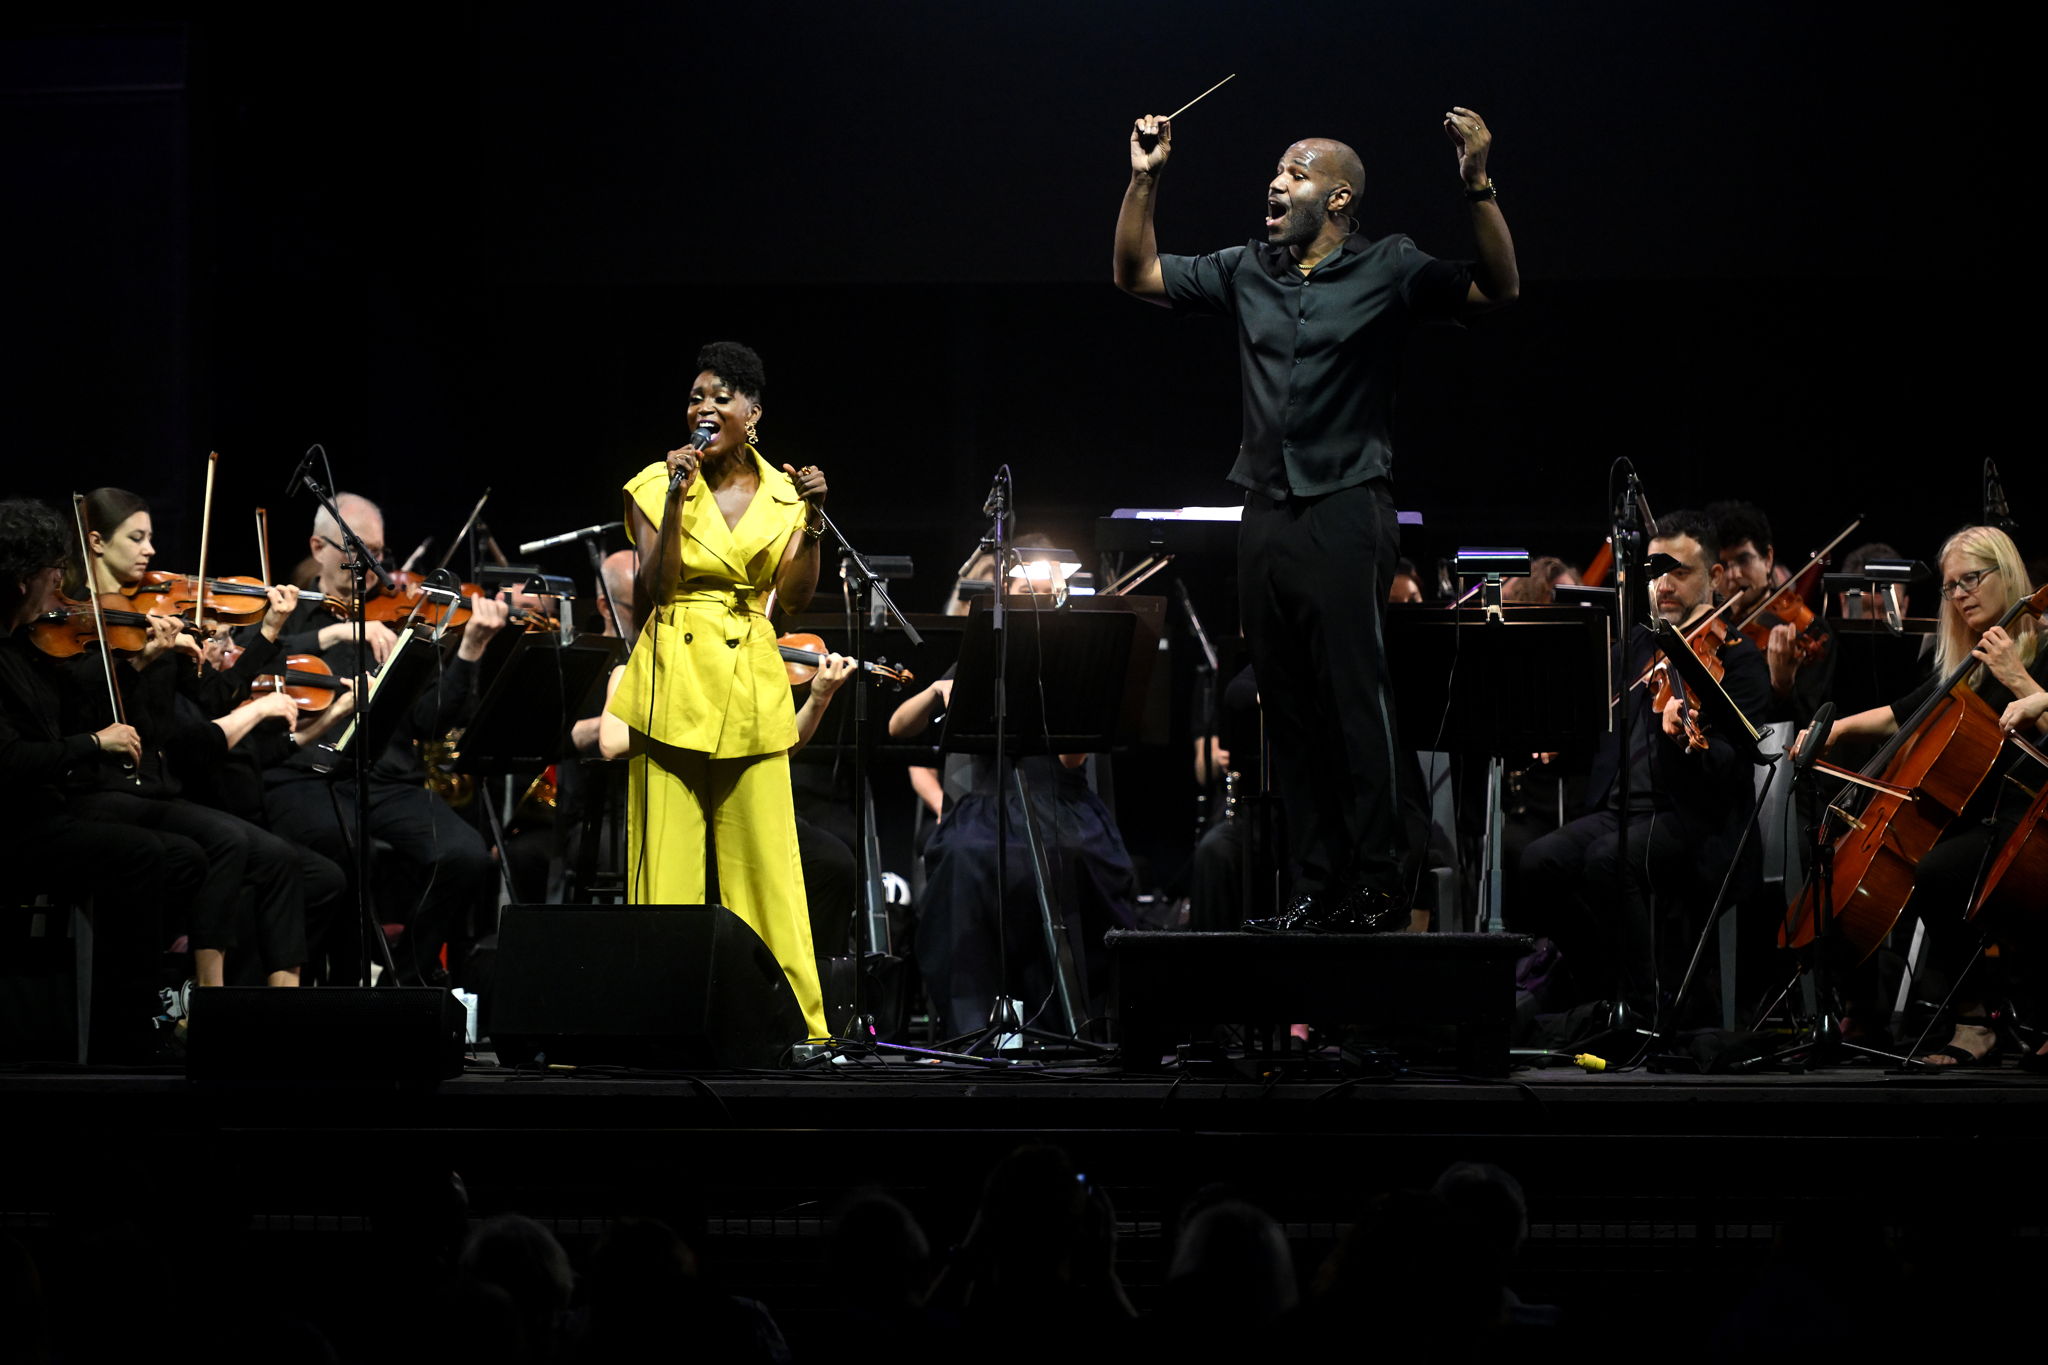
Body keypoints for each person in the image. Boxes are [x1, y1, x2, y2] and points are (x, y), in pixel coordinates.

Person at [1114, 104, 1518, 930]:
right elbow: (1136, 273)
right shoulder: (1246, 269)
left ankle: (1380, 878)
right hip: (1265, 511)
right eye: (1279, 170)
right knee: (1286, 704)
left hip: (1346, 508)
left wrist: (1477, 186)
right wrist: (1144, 178)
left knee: (1354, 699)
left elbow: (1498, 286)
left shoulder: (1390, 267)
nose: (1277, 180)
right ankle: (1315, 880)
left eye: (1297, 173)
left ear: (1337, 200)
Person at [604, 340, 830, 1040]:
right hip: (673, 670)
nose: (703, 406)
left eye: (720, 396)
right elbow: (654, 587)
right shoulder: (654, 482)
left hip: (751, 676)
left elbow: (791, 597)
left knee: (768, 870)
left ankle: (796, 1029)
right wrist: (676, 497)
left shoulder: (787, 494)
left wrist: (816, 525)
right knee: (662, 868)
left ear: (752, 413)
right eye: (696, 395)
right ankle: (652, 1024)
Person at [57, 487, 334, 993]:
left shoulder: (155, 618)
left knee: (277, 856)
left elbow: (216, 698)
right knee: (227, 842)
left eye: (151, 538)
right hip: (99, 790)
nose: (150, 551)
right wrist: (140, 661)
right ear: (95, 543)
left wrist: (269, 630)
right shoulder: (74, 621)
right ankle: (208, 998)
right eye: (136, 538)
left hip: (155, 791)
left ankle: (279, 1004)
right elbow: (83, 710)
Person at [1797, 525, 2045, 1065]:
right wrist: (1834, 730)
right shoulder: (1969, 665)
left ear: (2006, 575)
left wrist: (2020, 678)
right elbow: (1904, 713)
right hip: (1985, 818)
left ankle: (2013, 1013)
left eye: (1972, 580)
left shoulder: (2041, 645)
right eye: (1952, 587)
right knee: (1928, 867)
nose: (1960, 596)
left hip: (2035, 817)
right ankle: (1970, 1017)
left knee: (1957, 870)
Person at [1518, 511, 1771, 1026]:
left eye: (1678, 570)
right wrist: (1560, 738)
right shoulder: (1633, 646)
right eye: (1656, 571)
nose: (1664, 584)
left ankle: (1643, 1010)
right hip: (1621, 810)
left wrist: (1691, 741)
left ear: (1714, 578)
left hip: (1694, 819)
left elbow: (1734, 763)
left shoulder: (1739, 657)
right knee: (1537, 862)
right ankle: (1604, 980)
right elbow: (1594, 718)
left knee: (1608, 861)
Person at [264, 491, 508, 986]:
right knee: (347, 844)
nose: (369, 567)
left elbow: (430, 721)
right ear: (318, 548)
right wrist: (336, 636)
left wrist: (470, 651)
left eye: (375, 552)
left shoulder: (397, 621)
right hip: (309, 777)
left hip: (384, 779)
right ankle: (334, 984)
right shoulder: (287, 615)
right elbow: (255, 660)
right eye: (355, 551)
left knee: (464, 853)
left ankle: (403, 977)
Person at [0, 497, 204, 1059]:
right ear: (22, 581)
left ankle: (146, 997)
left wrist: (138, 663)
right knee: (139, 854)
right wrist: (93, 744)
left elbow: (73, 706)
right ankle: (125, 1032)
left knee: (184, 857)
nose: (59, 590)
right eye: (51, 576)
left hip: (47, 808)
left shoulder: (26, 644)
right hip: (16, 822)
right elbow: (10, 760)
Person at [1707, 501, 1835, 726]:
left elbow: (1809, 727)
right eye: (1724, 565)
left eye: (1743, 560)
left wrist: (1782, 686)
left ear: (1767, 558)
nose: (1734, 575)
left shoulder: (1810, 631)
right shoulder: (1712, 629)